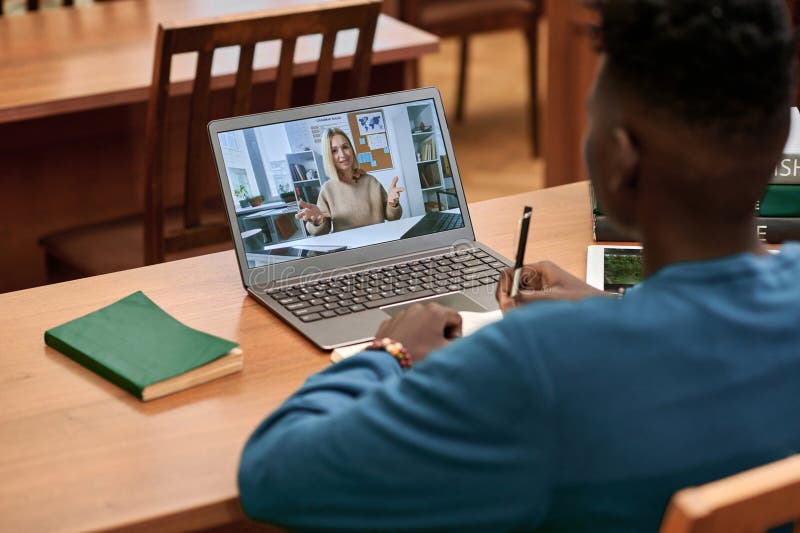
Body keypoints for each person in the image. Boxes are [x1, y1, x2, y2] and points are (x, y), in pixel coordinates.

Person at [239, 1, 800, 530]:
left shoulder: (540, 367)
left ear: (621, 161)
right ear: (778, 143)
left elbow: (273, 475)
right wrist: (610, 309)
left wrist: (392, 352)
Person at [296, 127, 404, 235]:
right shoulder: (327, 189)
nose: (342, 155)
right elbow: (322, 231)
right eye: (334, 151)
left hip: (379, 241)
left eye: (345, 147)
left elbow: (393, 217)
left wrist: (392, 204)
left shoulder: (371, 181)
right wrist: (317, 222)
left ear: (352, 149)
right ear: (329, 156)